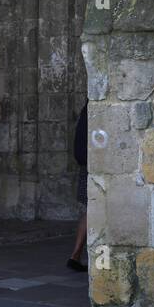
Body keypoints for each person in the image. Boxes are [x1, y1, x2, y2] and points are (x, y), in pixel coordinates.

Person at [67, 102, 88, 272]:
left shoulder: (85, 112)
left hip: (86, 164)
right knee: (94, 211)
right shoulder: (93, 111)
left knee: (90, 210)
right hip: (91, 165)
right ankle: (76, 256)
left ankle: (76, 255)